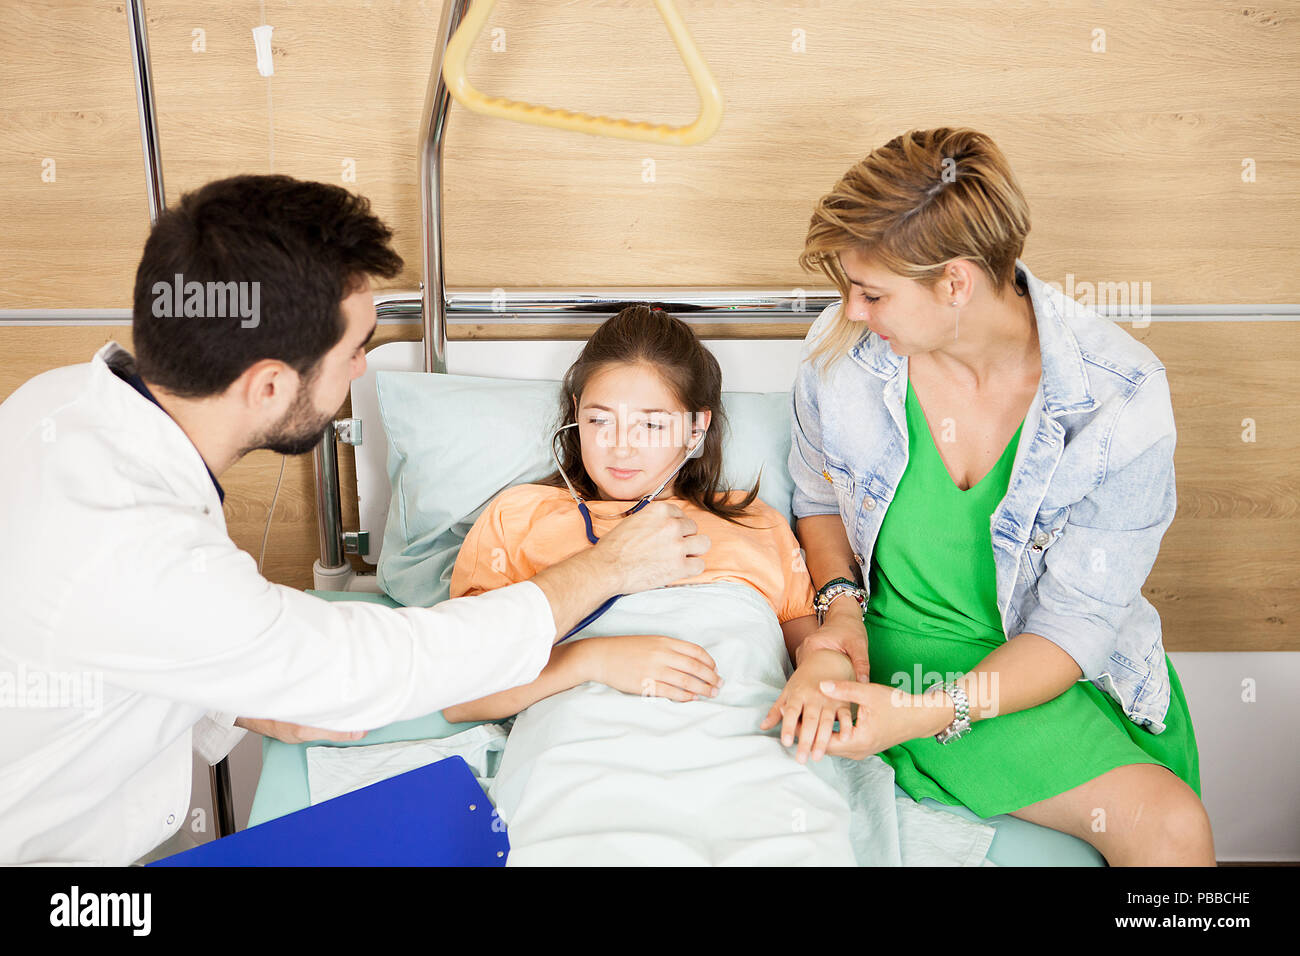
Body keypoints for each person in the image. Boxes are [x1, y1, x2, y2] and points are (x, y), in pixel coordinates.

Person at [0, 176, 708, 866]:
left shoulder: (59, 404)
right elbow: (383, 663)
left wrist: (235, 702)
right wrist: (605, 569)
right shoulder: (134, 546)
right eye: (354, 350)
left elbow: (136, 635)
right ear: (269, 385)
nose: (363, 370)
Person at [774, 127, 1216, 866]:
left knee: (1172, 829)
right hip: (902, 650)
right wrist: (841, 615)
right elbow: (817, 500)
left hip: (1044, 661)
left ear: (956, 283)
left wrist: (923, 714)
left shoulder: (1121, 399)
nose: (851, 312)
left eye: (873, 293)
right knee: (1170, 827)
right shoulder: (843, 356)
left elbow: (1075, 627)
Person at [443, 304, 860, 724]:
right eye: (599, 420)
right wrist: (591, 659)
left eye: (652, 425)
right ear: (576, 412)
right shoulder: (519, 517)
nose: (621, 447)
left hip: (741, 737)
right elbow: (461, 694)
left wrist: (827, 669)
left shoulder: (755, 522)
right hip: (581, 743)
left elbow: (815, 658)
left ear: (696, 429)